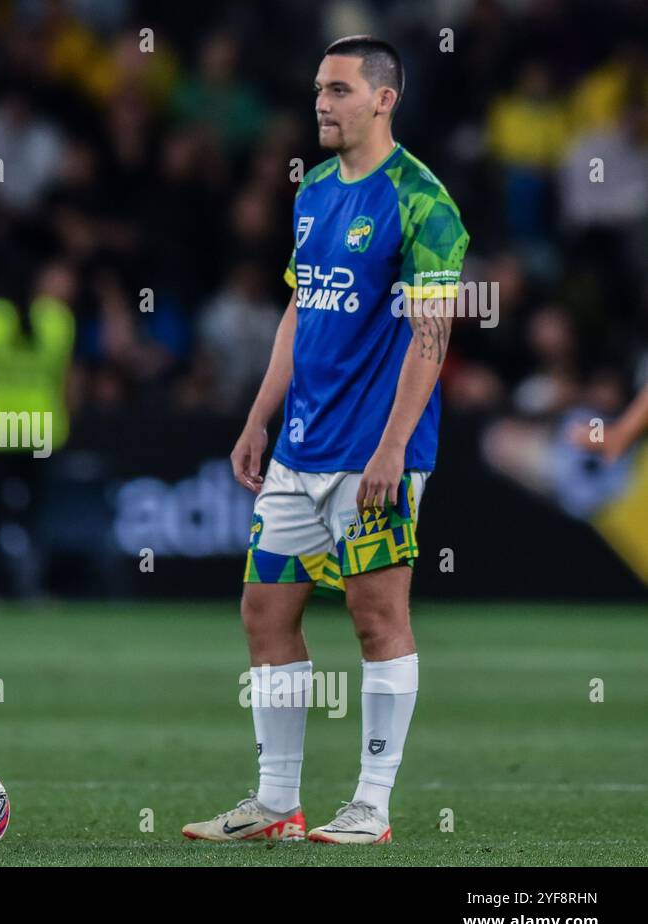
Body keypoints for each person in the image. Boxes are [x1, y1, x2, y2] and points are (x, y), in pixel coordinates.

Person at [182, 36, 469, 845]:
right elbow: (304, 308)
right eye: (318, 89)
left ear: (384, 99)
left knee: (378, 618)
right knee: (264, 610)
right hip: (299, 451)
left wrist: (391, 448)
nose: (322, 104)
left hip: (374, 456)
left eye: (339, 90)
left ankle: (371, 807)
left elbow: (430, 336)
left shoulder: (422, 201)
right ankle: (277, 804)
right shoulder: (309, 190)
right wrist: (258, 416)